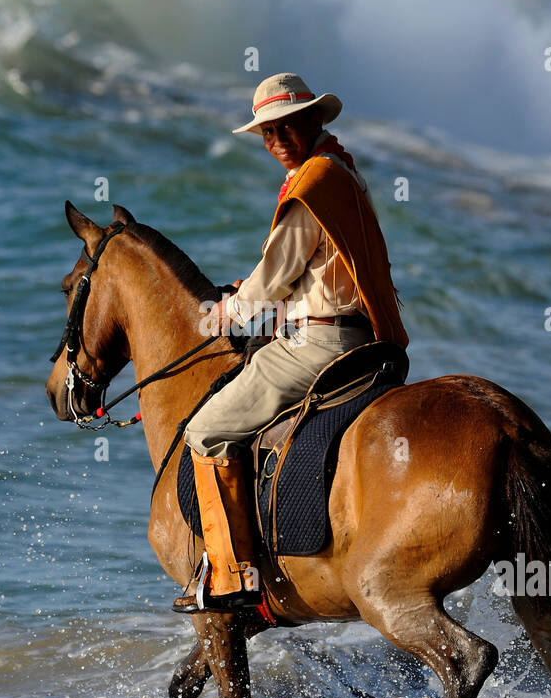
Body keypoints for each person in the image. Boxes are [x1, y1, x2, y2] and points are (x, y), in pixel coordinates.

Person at [175, 72, 409, 614]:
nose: (277, 140)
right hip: (359, 337)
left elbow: (274, 278)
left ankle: (233, 578)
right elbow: (313, 271)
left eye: (286, 127)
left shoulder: (310, 186)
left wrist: (226, 313)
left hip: (317, 344)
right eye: (267, 133)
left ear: (312, 121)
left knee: (206, 430)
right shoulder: (341, 171)